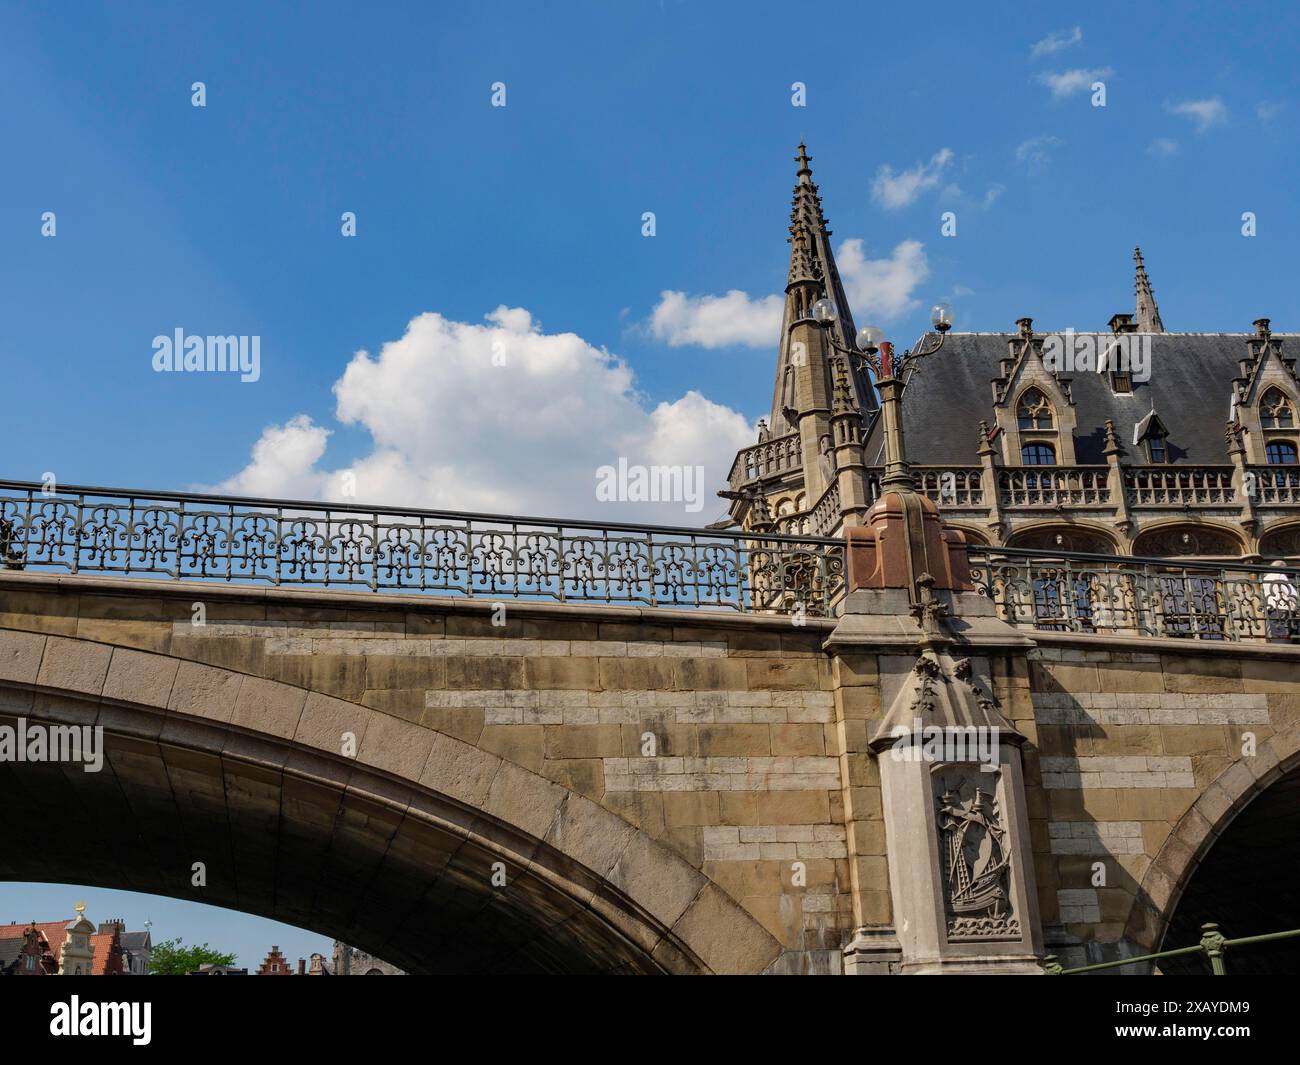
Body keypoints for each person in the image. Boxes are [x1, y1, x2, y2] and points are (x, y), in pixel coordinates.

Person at [1263, 560, 1298, 641]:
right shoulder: (1280, 575)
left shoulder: (1265, 578)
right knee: (1287, 638)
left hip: (1271, 611)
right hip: (1283, 610)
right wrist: (1297, 606)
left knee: (1278, 637)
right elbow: (1291, 593)